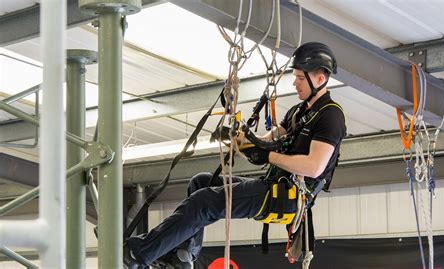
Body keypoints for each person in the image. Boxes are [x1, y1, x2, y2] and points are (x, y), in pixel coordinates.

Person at [124, 42, 346, 269]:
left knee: (204, 202)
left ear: (319, 79)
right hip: (273, 186)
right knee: (201, 183)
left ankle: (138, 254)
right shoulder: (299, 112)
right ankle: (184, 254)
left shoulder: (330, 116)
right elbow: (267, 140)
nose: (294, 82)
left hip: (287, 197)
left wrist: (268, 157)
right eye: (295, 76)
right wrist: (242, 139)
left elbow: (314, 167)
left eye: (300, 78)